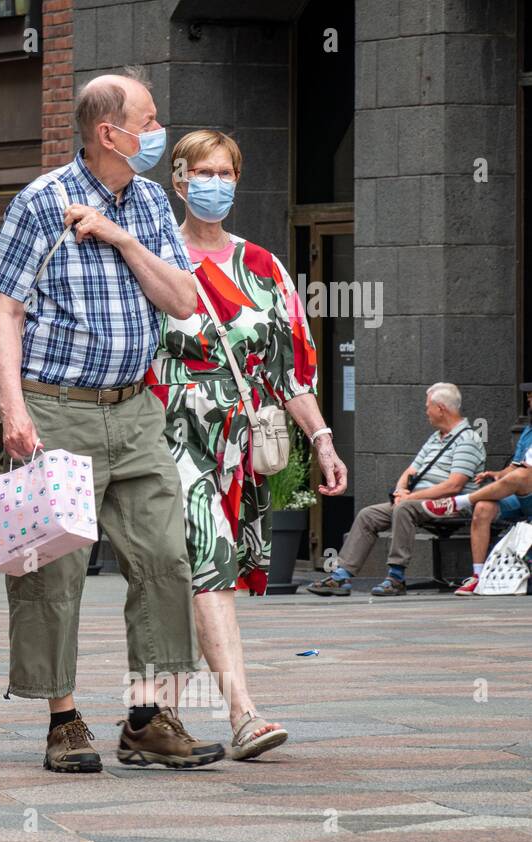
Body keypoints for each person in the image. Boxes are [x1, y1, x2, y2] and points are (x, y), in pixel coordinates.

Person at [0, 68, 225, 773]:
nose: (157, 132)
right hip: (56, 408)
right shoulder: (41, 201)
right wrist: (16, 411)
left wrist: (121, 238)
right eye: (147, 121)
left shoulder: (147, 202)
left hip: (136, 408)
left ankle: (147, 717)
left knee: (165, 559)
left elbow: (181, 301)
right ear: (107, 132)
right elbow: (8, 311)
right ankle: (63, 721)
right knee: (51, 573)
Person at [149, 130, 348, 759]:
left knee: (186, 573)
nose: (215, 183)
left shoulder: (263, 265)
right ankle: (243, 712)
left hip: (238, 439)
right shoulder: (154, 254)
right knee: (207, 559)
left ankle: (152, 715)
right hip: (166, 429)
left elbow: (291, 371)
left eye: (226, 172)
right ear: (178, 180)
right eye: (203, 171)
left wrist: (322, 440)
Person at [308, 383, 484, 597]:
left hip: (451, 504)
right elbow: (410, 471)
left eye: (428, 406)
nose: (425, 411)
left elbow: (453, 486)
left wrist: (410, 497)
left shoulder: (468, 439)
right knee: (369, 515)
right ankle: (341, 576)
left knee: (405, 508)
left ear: (441, 408)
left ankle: (396, 577)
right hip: (417, 501)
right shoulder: (435, 438)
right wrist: (401, 491)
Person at [422, 383, 532, 593]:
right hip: (521, 494)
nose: (529, 400)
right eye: (527, 397)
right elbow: (514, 467)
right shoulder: (528, 431)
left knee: (522, 475)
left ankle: (460, 501)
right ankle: (478, 576)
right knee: (483, 507)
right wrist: (498, 475)